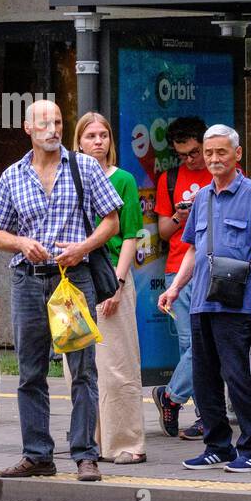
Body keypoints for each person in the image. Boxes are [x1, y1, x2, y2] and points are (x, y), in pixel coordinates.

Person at [0, 99, 122, 482]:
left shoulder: (84, 167)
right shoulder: (12, 175)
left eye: (59, 122)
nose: (54, 129)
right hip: (28, 280)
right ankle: (38, 454)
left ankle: (84, 455)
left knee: (82, 370)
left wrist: (84, 247)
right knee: (30, 372)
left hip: (71, 282)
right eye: (45, 122)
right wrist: (21, 243)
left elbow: (111, 222)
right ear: (28, 128)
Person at [158, 125, 251, 473]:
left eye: (220, 152)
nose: (213, 159)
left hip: (237, 301)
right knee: (204, 377)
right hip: (200, 300)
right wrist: (176, 287)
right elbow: (192, 249)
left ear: (237, 154)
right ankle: (218, 446)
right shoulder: (203, 199)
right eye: (209, 153)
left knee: (238, 375)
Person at [69, 112, 147, 464]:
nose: (98, 141)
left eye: (103, 135)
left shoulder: (124, 180)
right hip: (72, 279)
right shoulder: (67, 178)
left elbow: (130, 235)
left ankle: (128, 442)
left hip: (109, 275)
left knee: (119, 366)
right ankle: (91, 441)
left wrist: (116, 284)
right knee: (83, 366)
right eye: (91, 136)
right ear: (79, 142)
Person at [152, 116, 212, 441]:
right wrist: (180, 216)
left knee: (206, 344)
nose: (191, 159)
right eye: (183, 154)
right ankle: (204, 415)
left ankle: (171, 396)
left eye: (195, 152)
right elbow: (163, 230)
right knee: (191, 345)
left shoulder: (222, 172)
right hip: (180, 266)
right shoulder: (170, 179)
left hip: (215, 267)